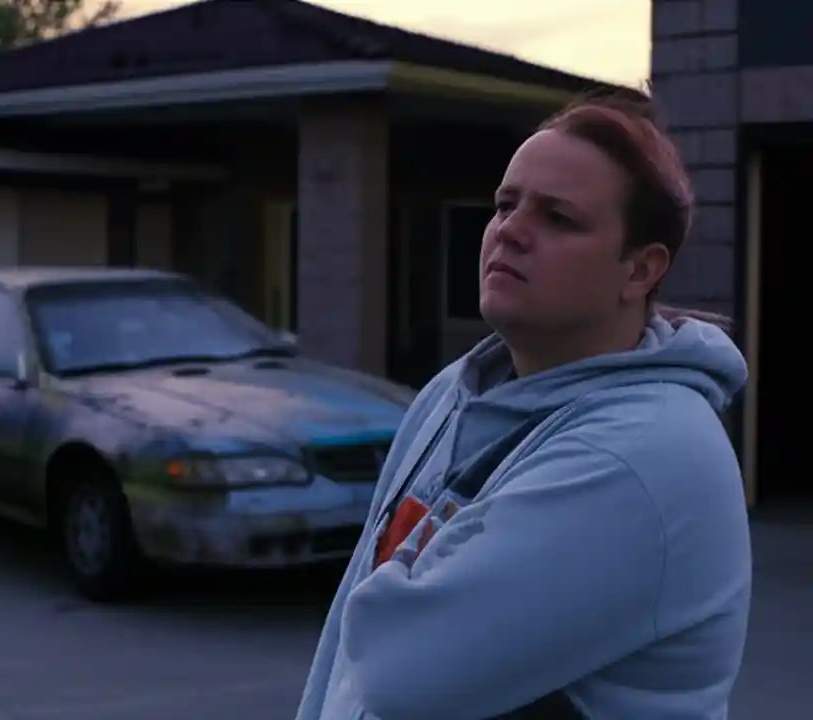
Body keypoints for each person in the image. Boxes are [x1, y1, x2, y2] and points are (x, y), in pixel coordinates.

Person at [294, 88, 751, 720]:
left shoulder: (644, 453)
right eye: (505, 205)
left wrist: (416, 574)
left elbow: (400, 670)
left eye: (557, 218)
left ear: (641, 271)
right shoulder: (451, 392)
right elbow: (342, 654)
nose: (510, 230)